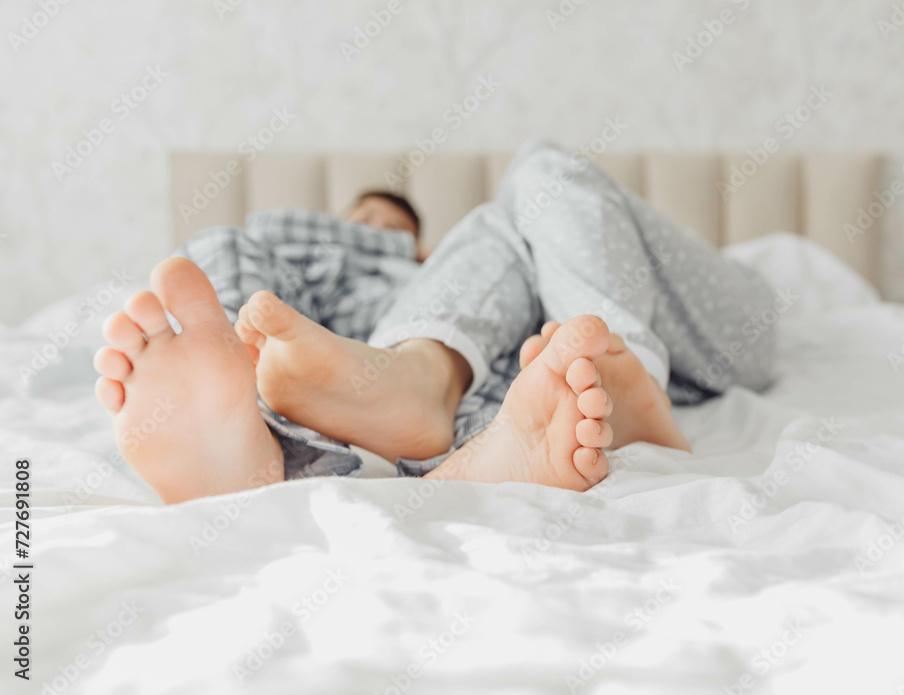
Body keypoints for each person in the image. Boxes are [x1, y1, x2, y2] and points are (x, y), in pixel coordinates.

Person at [92, 142, 777, 504]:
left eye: (385, 224)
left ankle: (424, 376)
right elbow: (238, 263)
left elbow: (494, 251)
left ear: (421, 243)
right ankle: (273, 432)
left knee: (531, 188)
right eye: (357, 219)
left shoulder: (469, 255)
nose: (366, 230)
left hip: (666, 333)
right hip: (443, 382)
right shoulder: (309, 276)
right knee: (221, 246)